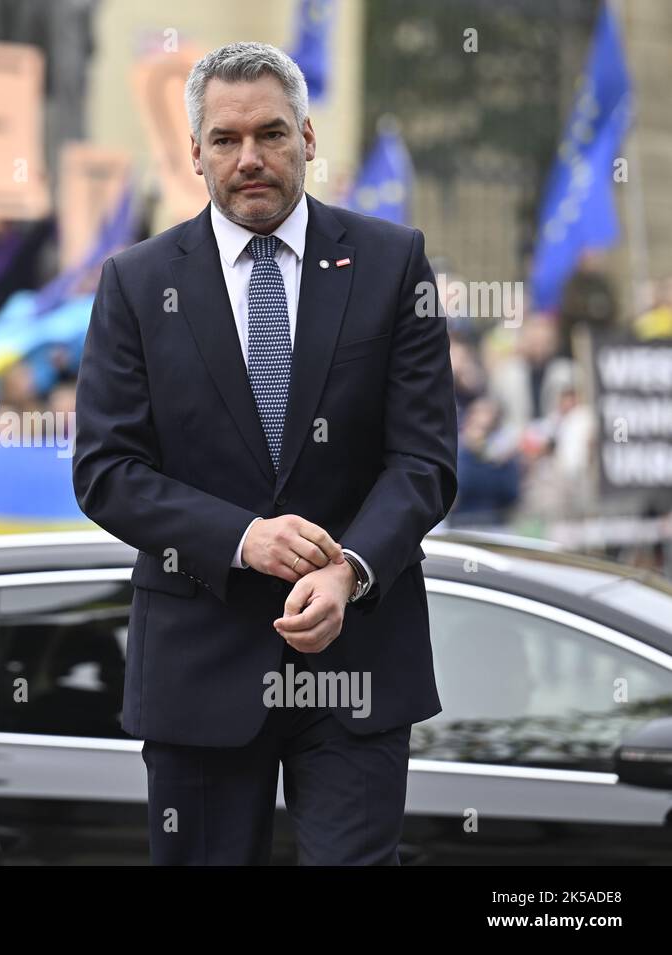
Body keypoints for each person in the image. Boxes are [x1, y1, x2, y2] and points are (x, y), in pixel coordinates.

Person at [72, 42, 458, 865]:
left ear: (309, 138)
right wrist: (244, 537)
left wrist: (350, 566)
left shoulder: (393, 264)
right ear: (195, 153)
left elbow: (425, 460)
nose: (250, 158)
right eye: (226, 139)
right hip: (199, 667)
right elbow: (106, 471)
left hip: (357, 660)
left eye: (272, 134)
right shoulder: (136, 283)